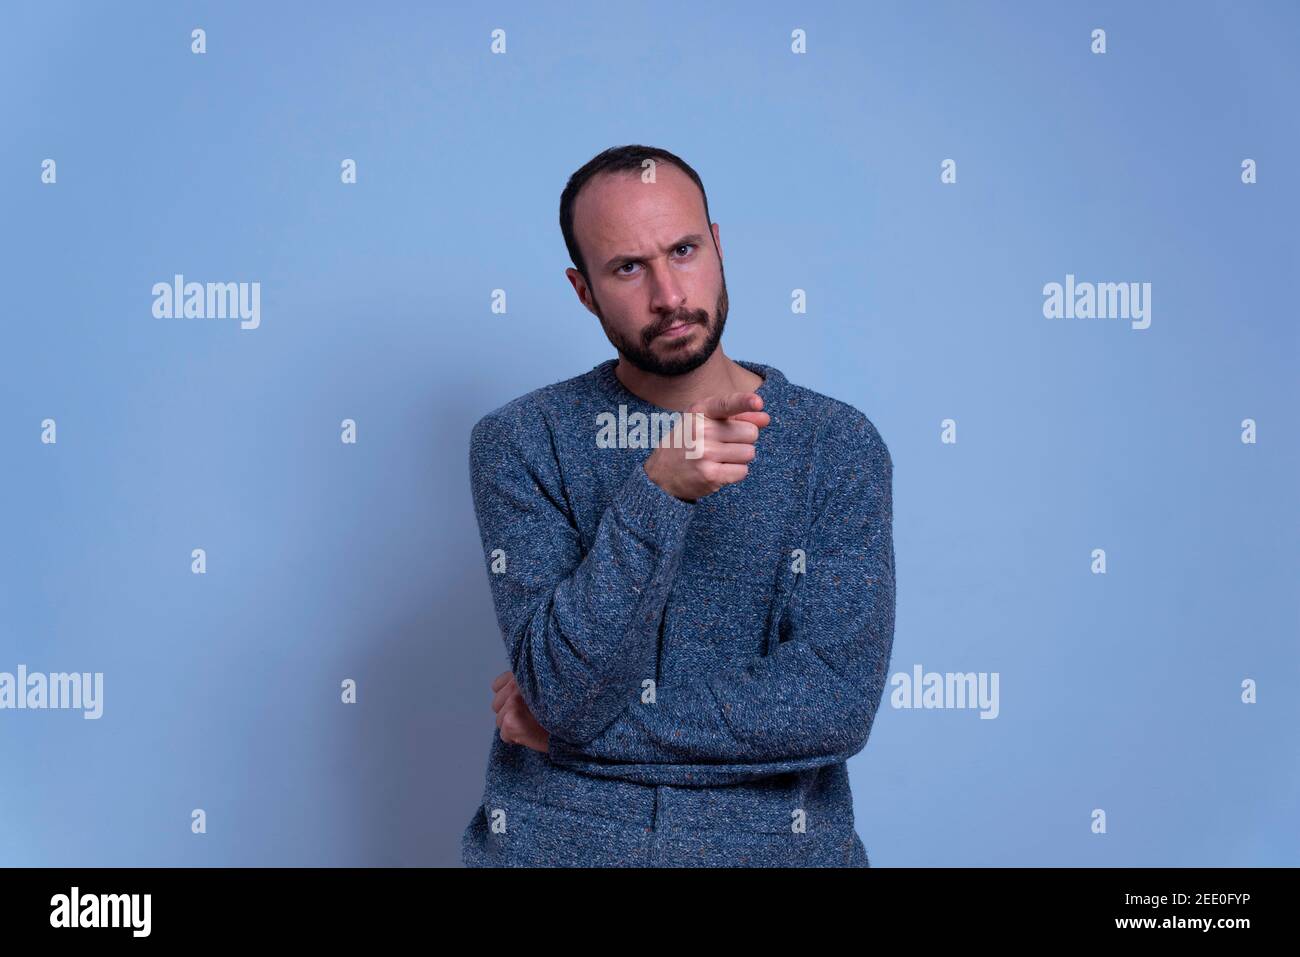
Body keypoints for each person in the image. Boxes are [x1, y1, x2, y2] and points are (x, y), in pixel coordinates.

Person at [462, 144, 895, 866]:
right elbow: (566, 689)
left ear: (718, 246)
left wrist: (572, 732)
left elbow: (832, 703)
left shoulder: (836, 444)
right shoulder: (520, 442)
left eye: (684, 250)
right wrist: (658, 492)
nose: (669, 294)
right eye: (627, 268)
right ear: (584, 290)